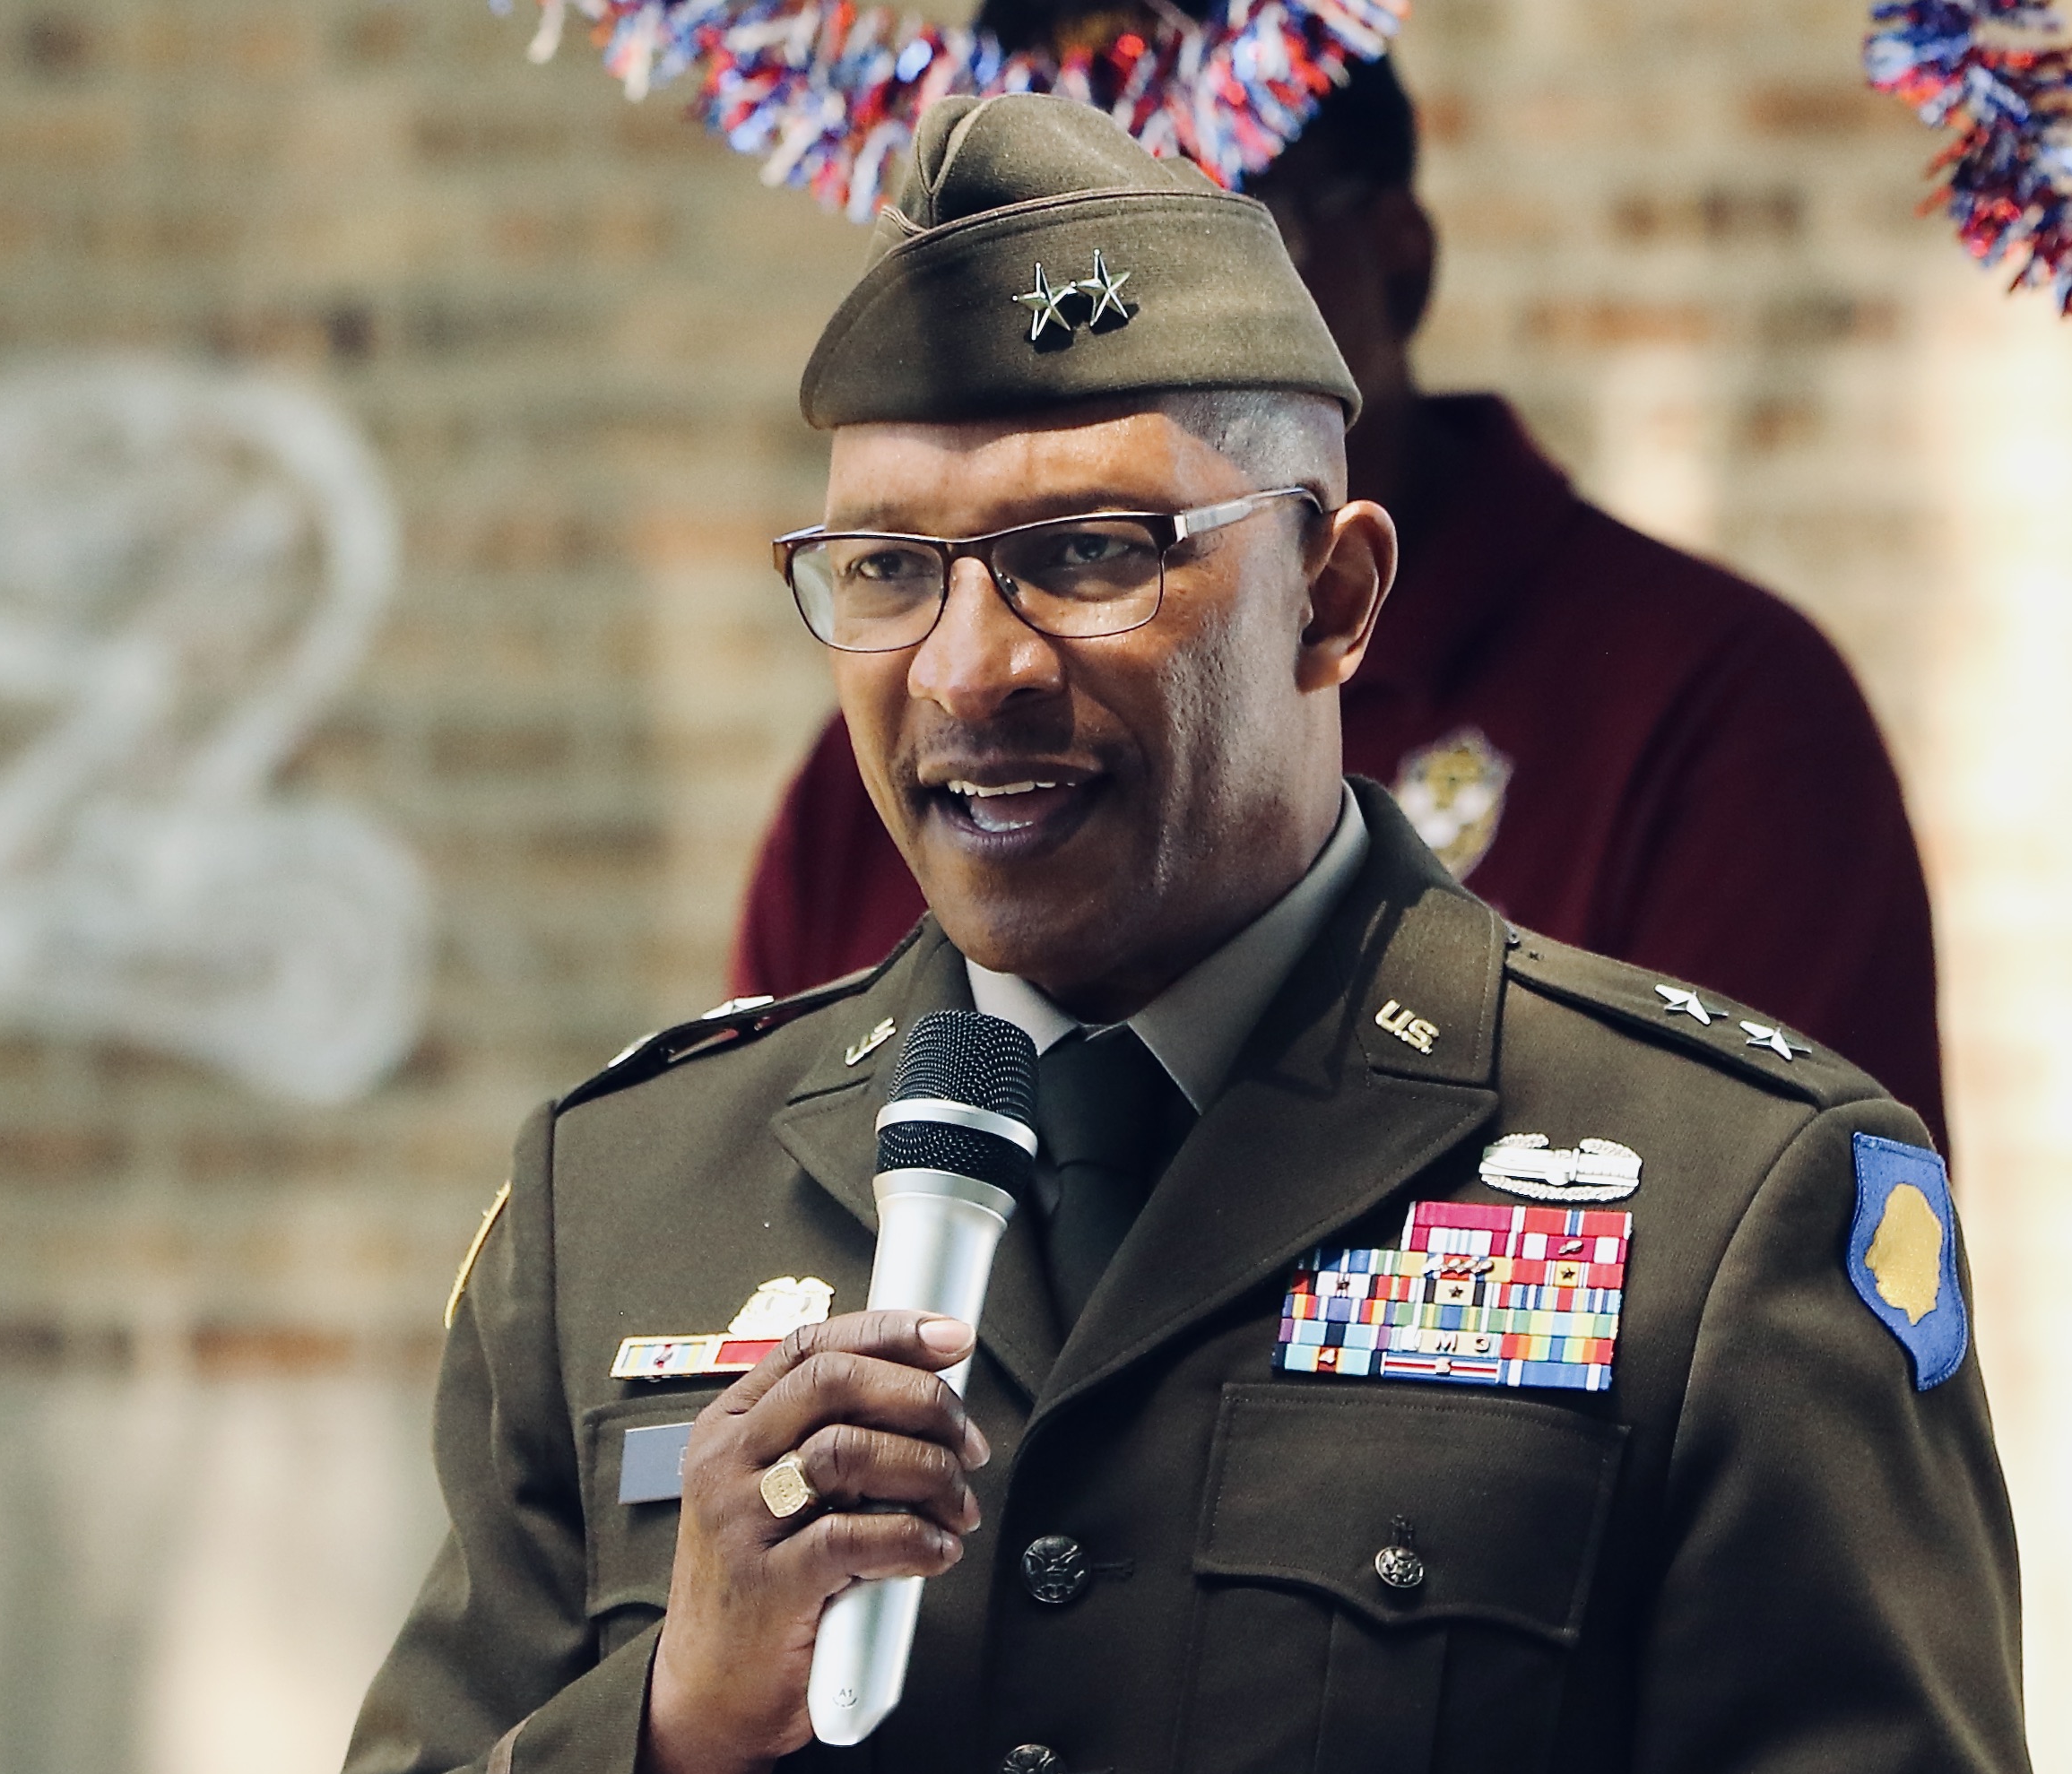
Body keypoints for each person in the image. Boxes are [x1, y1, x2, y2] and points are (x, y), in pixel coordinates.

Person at [258, 91, 2049, 1774]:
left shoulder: (1724, 1194)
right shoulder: (633, 1198)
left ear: (1330, 596)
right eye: (882, 571)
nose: (968, 667)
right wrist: (676, 1748)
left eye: (1089, 557)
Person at [727, 53, 1951, 1140]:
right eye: (885, 565)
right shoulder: (891, 772)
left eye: (1196, 218)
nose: (973, 669)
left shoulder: (1704, 699)